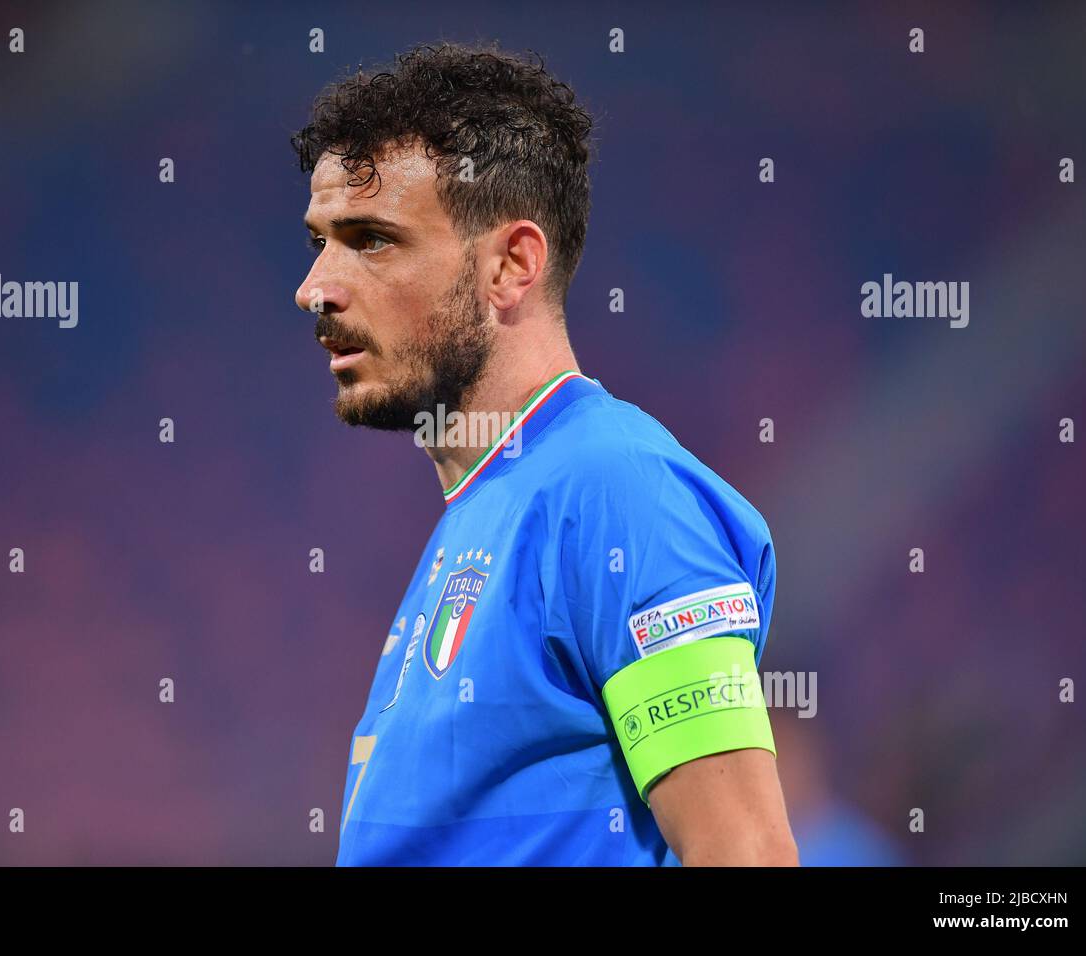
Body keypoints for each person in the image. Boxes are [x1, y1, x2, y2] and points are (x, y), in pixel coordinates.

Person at [292, 42, 798, 866]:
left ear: (511, 266)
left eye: (372, 240)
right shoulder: (492, 506)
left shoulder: (614, 490)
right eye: (320, 240)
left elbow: (745, 855)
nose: (316, 286)